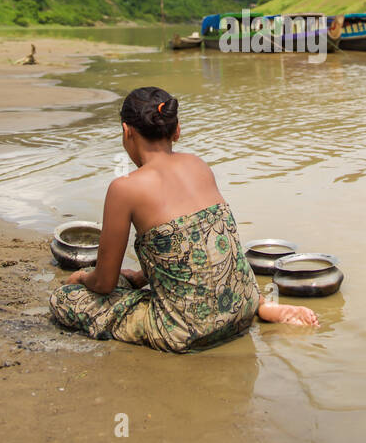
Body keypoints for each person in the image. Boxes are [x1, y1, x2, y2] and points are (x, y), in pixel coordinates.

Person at [50, 86, 317, 352]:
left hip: (184, 331)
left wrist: (83, 277)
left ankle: (208, 314)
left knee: (65, 299)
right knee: (131, 279)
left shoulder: (124, 188)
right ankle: (264, 305)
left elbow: (104, 284)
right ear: (176, 131)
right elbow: (200, 245)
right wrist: (139, 277)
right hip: (241, 307)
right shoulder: (198, 165)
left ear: (126, 131)